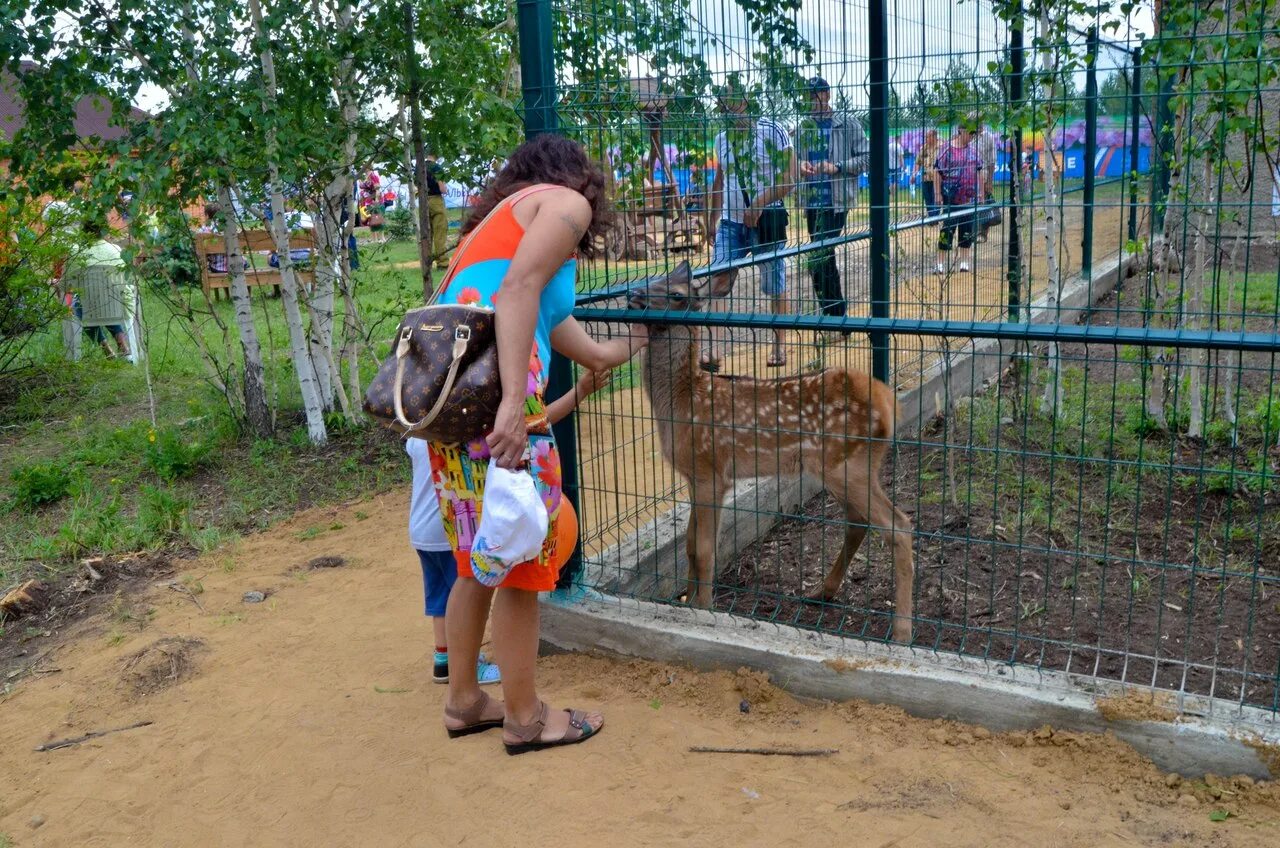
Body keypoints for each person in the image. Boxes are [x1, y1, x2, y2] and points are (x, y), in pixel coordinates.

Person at [431, 134, 649, 753]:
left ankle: (466, 700)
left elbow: (591, 348)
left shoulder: (498, 230)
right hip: (501, 403)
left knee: (479, 554)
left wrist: (645, 332)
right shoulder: (562, 202)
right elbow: (518, 293)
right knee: (524, 554)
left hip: (456, 407)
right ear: (576, 179)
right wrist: (510, 407)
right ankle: (525, 719)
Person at [407, 366, 612, 687]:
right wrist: (579, 392)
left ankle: (443, 659)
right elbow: (536, 423)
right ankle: (469, 666)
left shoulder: (427, 427)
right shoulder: (476, 429)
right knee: (472, 588)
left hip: (421, 532)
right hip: (456, 532)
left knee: (441, 596)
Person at [703, 79, 794, 371]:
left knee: (773, 284)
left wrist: (760, 202)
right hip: (731, 223)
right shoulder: (721, 139)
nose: (725, 112)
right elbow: (720, 179)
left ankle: (780, 344)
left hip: (766, 221)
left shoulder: (773, 131)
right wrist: (711, 217)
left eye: (729, 105)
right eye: (721, 108)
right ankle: (714, 349)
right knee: (718, 279)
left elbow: (790, 179)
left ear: (744, 102)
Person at [795, 76, 870, 336]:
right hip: (811, 202)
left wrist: (836, 167)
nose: (810, 100)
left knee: (821, 256)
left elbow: (867, 159)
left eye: (814, 95)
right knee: (819, 258)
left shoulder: (849, 124)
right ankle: (835, 319)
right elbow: (794, 161)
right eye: (807, 95)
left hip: (836, 202)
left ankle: (835, 320)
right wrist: (799, 167)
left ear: (825, 95)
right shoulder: (804, 127)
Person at [62, 218, 133, 358]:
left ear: (83, 232)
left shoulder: (77, 252)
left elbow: (66, 286)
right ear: (105, 231)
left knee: (80, 305)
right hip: (116, 306)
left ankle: (105, 347)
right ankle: (122, 343)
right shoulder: (116, 249)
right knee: (107, 299)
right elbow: (126, 279)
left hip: (89, 309)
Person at [933, 120, 984, 275]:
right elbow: (937, 171)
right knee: (947, 229)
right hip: (951, 198)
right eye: (971, 133)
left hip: (969, 199)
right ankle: (940, 264)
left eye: (975, 134)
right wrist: (937, 194)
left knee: (967, 230)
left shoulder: (974, 152)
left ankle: (964, 263)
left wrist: (981, 193)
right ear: (961, 131)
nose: (972, 137)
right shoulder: (946, 150)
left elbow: (979, 172)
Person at [971, 113, 998, 242]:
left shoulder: (988, 137)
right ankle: (971, 232)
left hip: (984, 174)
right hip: (969, 175)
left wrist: (990, 181)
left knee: (984, 203)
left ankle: (983, 233)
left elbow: (992, 161)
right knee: (971, 204)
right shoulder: (969, 136)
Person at [426, 154, 450, 270]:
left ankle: (426, 262)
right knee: (439, 233)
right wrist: (445, 189)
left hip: (423, 201)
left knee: (426, 234)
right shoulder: (437, 167)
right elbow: (442, 188)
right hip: (436, 200)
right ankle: (442, 263)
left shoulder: (419, 167)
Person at [914, 129, 941, 219]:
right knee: (928, 199)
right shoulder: (924, 148)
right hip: (925, 177)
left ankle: (934, 218)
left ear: (934, 137)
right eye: (925, 137)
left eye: (928, 137)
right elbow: (918, 162)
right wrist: (914, 174)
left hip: (937, 178)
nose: (926, 139)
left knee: (936, 197)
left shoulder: (941, 147)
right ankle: (931, 217)